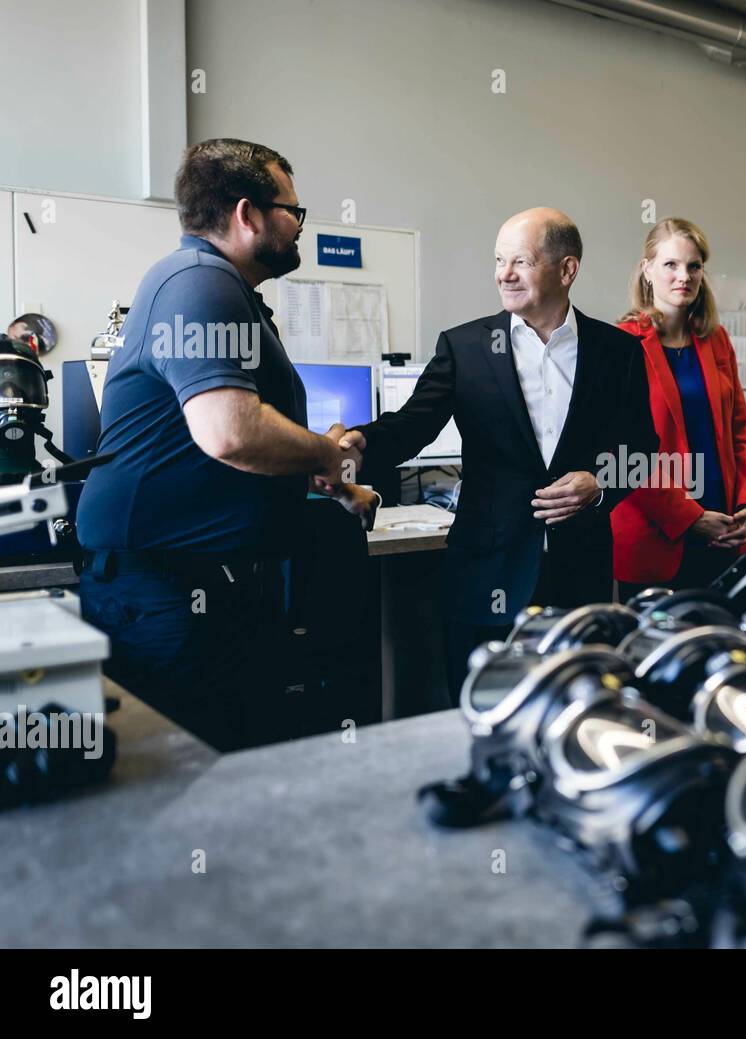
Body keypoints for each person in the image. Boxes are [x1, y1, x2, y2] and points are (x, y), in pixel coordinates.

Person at [76, 138, 377, 751]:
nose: (298, 227)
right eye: (293, 211)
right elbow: (230, 432)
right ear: (247, 215)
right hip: (172, 594)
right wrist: (327, 455)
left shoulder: (218, 288)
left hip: (209, 587)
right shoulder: (198, 282)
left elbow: (235, 443)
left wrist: (327, 477)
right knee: (192, 785)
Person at [330, 208, 658, 699]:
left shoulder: (618, 352)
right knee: (483, 715)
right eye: (499, 260)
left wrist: (599, 484)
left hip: (578, 578)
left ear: (567, 269)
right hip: (486, 576)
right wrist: (361, 445)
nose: (504, 273)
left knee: (577, 713)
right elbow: (413, 425)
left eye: (520, 261)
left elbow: (643, 449)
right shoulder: (465, 347)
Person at [613, 218, 746, 597]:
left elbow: (740, 431)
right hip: (655, 536)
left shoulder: (716, 339)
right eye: (671, 265)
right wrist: (690, 518)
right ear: (647, 270)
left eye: (694, 266)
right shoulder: (622, 343)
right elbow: (624, 453)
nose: (684, 276)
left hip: (724, 529)